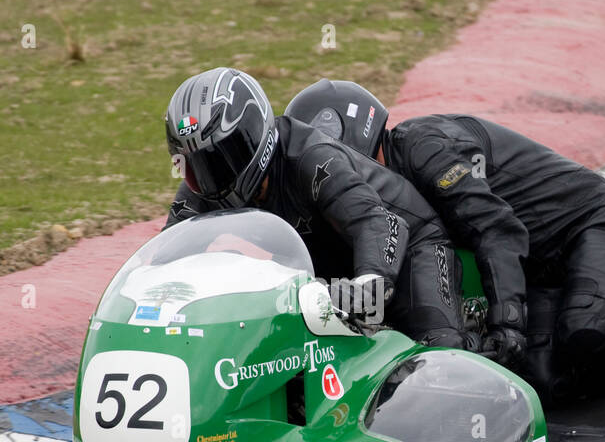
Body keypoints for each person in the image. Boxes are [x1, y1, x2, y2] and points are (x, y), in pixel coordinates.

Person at [285, 78, 605, 403]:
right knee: (540, 378)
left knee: (585, 329)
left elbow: (497, 229)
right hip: (535, 266)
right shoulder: (386, 192)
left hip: (595, 224)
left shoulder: (424, 145)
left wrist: (509, 323)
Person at [163, 67, 465, 347]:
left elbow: (379, 223)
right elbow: (165, 252)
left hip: (409, 245)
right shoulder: (203, 188)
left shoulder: (311, 157)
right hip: (328, 276)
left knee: (439, 348)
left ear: (255, 132)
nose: (212, 176)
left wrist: (368, 286)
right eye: (197, 166)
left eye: (223, 156)